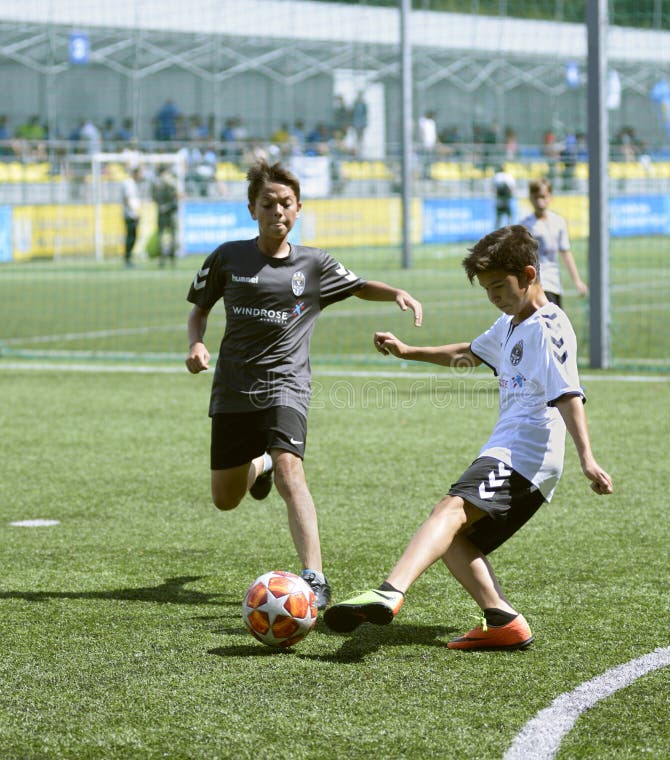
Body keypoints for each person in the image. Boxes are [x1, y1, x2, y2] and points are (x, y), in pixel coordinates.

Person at [324, 224, 613, 650]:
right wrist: (409, 352)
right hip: (511, 450)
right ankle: (502, 619)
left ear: (530, 275)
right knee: (455, 540)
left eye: (500, 285)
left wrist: (587, 457)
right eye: (487, 289)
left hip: (525, 453)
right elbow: (470, 354)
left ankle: (390, 590)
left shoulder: (548, 327)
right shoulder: (512, 322)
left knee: (452, 507)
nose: (494, 295)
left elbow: (568, 393)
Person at [184, 160, 423, 610]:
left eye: (286, 203)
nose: (278, 211)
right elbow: (199, 308)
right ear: (252, 208)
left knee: (292, 470)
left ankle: (314, 577)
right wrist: (196, 344)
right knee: (225, 499)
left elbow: (358, 285)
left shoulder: (313, 264)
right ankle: (260, 466)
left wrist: (395, 292)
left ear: (299, 208)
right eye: (268, 203)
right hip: (234, 388)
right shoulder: (227, 257)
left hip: (286, 385)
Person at [519, 178, 587, 307]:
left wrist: (577, 281)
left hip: (555, 283)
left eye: (543, 196)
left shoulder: (558, 221)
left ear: (550, 197)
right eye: (536, 197)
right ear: (531, 199)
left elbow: (565, 252)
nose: (540, 201)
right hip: (537, 284)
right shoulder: (525, 225)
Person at [152, 165, 180, 267]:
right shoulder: (171, 182)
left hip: (162, 212)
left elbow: (153, 197)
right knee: (171, 236)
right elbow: (177, 196)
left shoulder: (155, 184)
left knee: (162, 236)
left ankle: (162, 260)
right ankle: (171, 260)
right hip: (171, 212)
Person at [122, 165, 142, 268]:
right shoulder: (128, 184)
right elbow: (127, 198)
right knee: (130, 238)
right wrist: (134, 212)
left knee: (133, 237)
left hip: (132, 214)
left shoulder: (132, 184)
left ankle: (128, 259)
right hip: (130, 215)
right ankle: (127, 259)